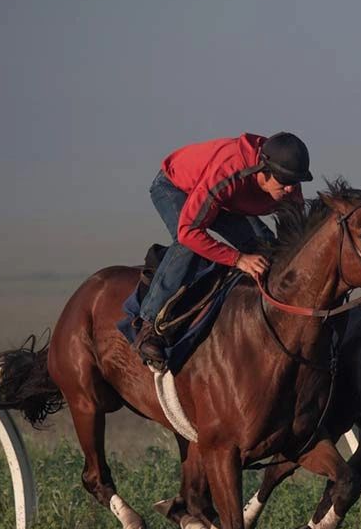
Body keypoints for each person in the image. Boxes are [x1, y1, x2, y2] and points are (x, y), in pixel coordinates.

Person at [133, 131, 312, 366]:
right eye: (285, 182)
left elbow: (294, 237)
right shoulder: (229, 171)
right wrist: (238, 259)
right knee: (188, 246)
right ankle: (148, 326)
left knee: (269, 248)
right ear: (263, 171)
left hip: (224, 200)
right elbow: (190, 232)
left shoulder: (288, 181)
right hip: (177, 187)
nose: (291, 189)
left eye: (295, 182)